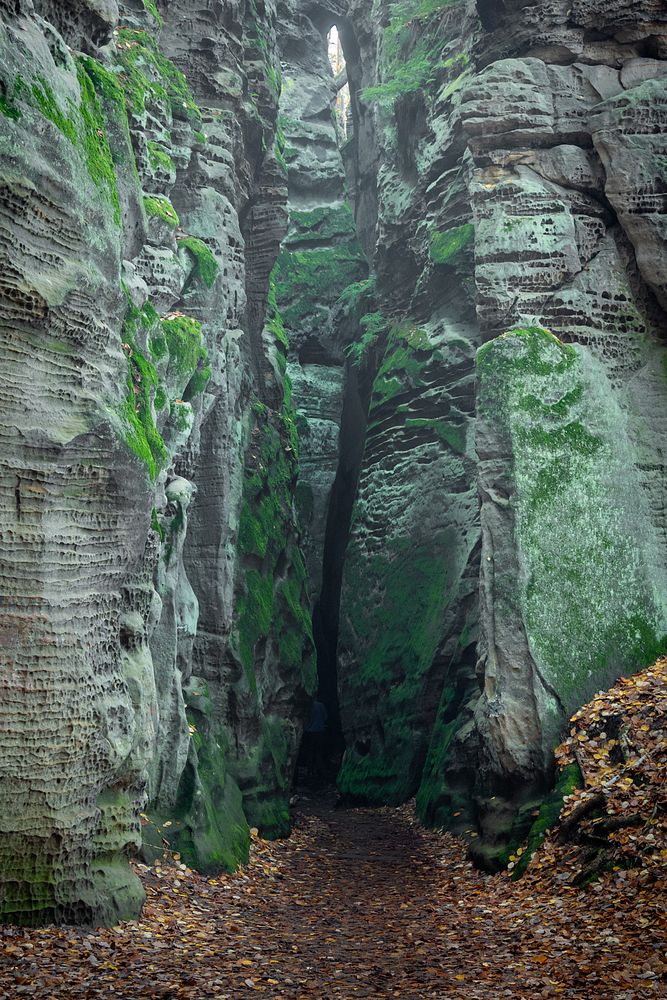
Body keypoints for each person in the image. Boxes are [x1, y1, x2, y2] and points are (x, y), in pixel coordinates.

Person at [302, 698, 328, 780]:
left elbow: (303, 719)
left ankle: (310, 771)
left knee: (310, 752)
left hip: (309, 732)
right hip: (320, 731)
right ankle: (320, 771)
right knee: (319, 752)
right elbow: (325, 717)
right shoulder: (321, 705)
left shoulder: (306, 706)